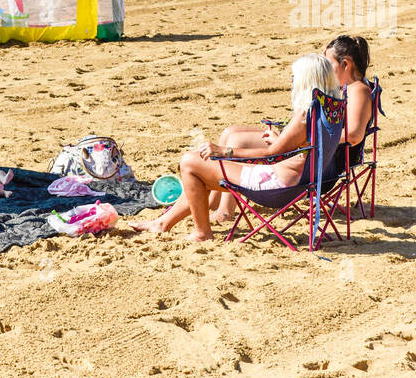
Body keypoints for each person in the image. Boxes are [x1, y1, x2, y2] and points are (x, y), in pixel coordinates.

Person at [131, 53, 341, 240]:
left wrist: (225, 152)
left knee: (190, 162)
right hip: (299, 184)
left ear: (306, 80)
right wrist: (280, 138)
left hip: (277, 188)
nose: (291, 80)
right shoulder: (330, 111)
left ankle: (202, 232)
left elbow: (271, 153)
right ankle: (163, 223)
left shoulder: (305, 116)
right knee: (202, 172)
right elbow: (301, 149)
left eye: (295, 76)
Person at [324, 34, 372, 151]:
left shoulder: (358, 90)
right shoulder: (346, 88)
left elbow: (354, 134)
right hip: (327, 152)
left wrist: (313, 139)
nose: (325, 70)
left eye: (328, 65)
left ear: (345, 64)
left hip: (331, 157)